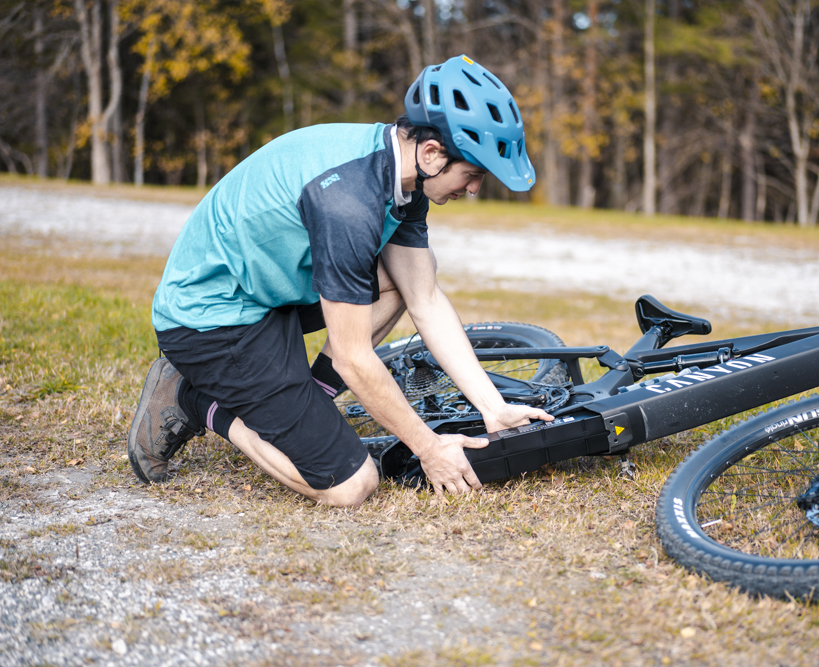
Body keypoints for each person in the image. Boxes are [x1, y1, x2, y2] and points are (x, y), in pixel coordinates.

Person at [127, 55, 552, 506]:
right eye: (472, 175)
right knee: (351, 486)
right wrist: (430, 448)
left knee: (398, 281)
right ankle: (193, 399)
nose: (473, 190)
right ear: (431, 153)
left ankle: (306, 403)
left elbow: (423, 297)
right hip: (211, 322)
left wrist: (492, 406)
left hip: (269, 295)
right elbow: (353, 358)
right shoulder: (348, 202)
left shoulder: (401, 175)